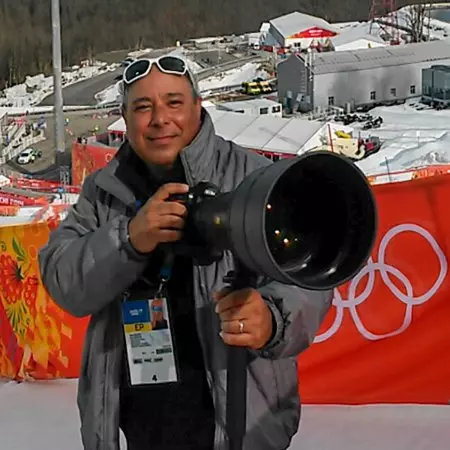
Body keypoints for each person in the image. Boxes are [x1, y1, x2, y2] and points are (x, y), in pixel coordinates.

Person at [38, 55, 332, 450]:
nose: (160, 119)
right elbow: (63, 279)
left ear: (198, 107)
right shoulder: (104, 191)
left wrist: (272, 318)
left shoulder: (252, 176)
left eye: (174, 103)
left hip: (241, 425)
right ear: (125, 118)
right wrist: (130, 237)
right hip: (135, 431)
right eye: (143, 107)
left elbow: (310, 277)